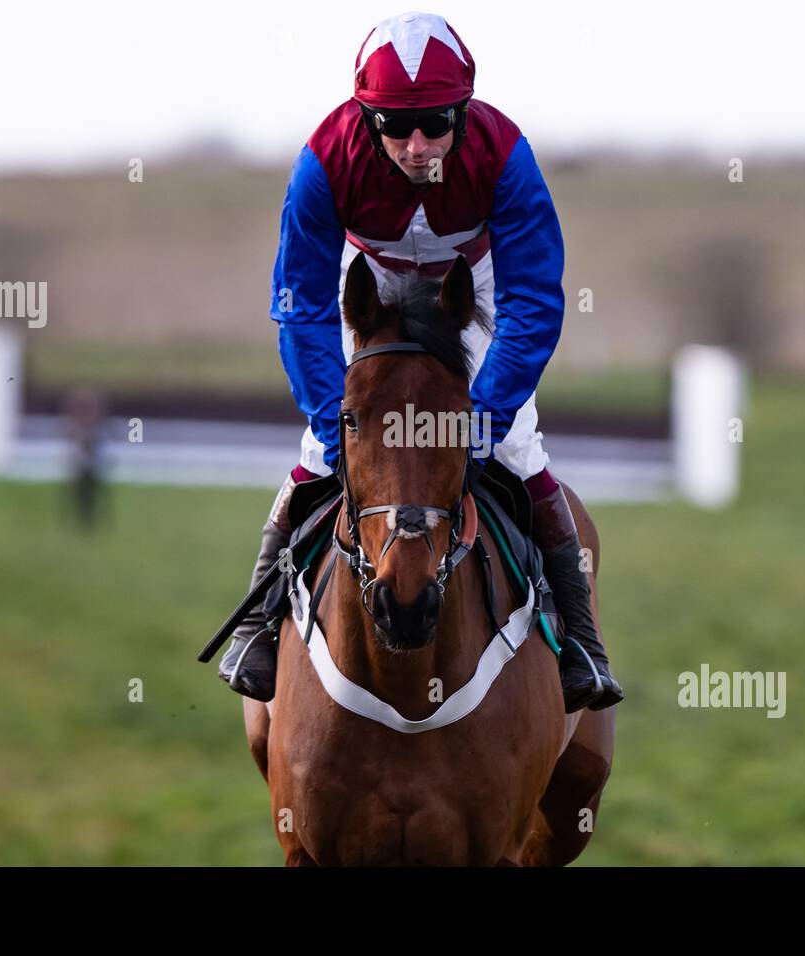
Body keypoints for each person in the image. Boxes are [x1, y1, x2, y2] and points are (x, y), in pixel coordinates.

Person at [221, 11, 623, 713]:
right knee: (321, 448)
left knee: (520, 445)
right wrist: (331, 414)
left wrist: (486, 417)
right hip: (369, 275)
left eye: (436, 122)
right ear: (364, 118)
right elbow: (301, 304)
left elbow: (534, 302)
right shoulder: (323, 160)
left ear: (463, 111)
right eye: (395, 127)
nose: (416, 145)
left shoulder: (506, 155)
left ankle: (581, 642)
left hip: (474, 280)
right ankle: (256, 628)